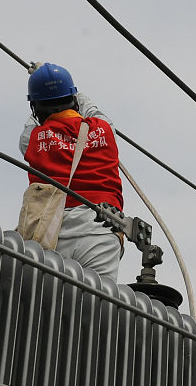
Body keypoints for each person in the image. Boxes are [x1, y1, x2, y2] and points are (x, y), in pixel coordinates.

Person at [19, 63, 124, 281]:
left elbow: (35, 119)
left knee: (46, 308)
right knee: (97, 309)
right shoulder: (104, 129)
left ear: (35, 107)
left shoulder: (33, 139)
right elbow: (92, 109)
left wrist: (40, 83)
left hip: (51, 235)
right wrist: (69, 90)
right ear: (73, 99)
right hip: (100, 232)